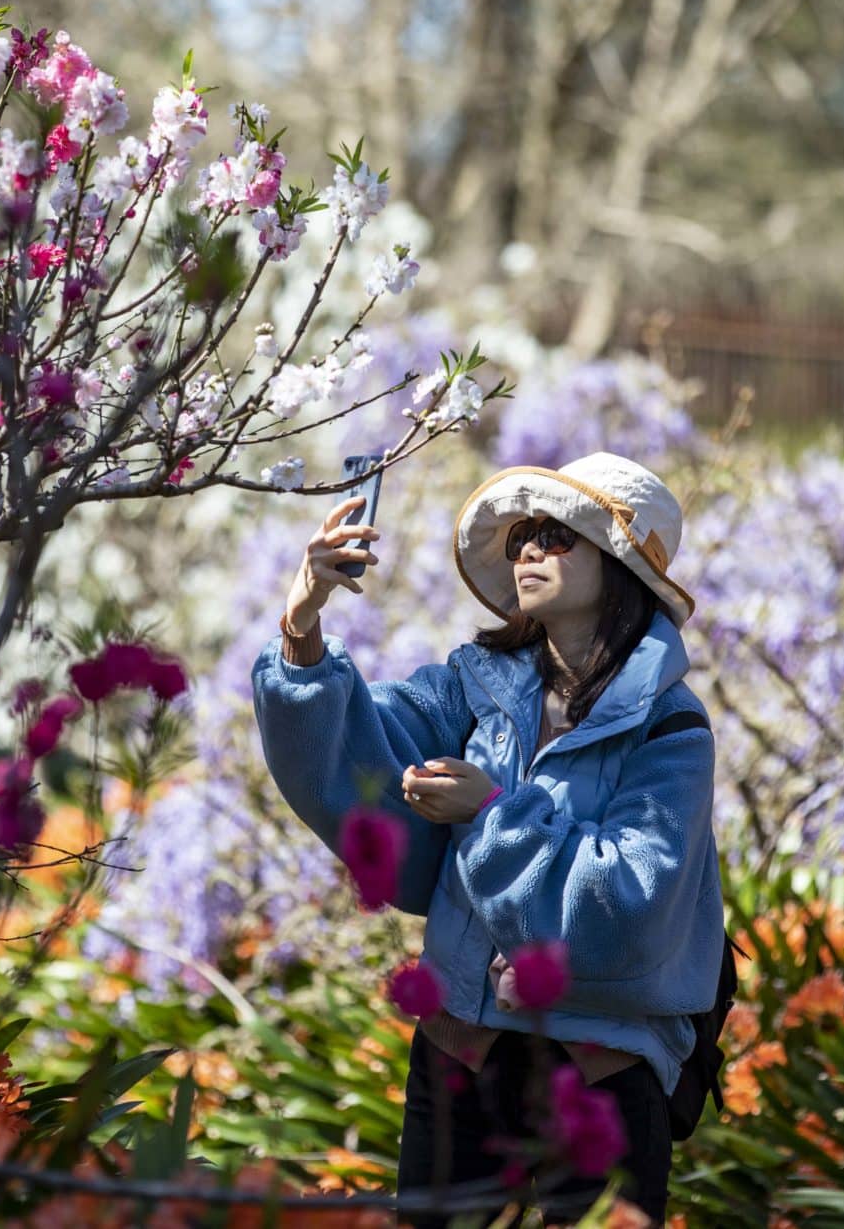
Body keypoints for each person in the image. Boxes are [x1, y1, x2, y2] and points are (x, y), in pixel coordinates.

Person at [252, 453, 724, 1226]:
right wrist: (303, 624)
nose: (528, 549)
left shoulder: (669, 728)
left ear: (619, 563)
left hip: (595, 1073)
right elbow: (356, 756)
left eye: (555, 534)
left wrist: (489, 813)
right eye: (520, 538)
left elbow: (627, 909)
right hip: (458, 1054)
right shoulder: (474, 688)